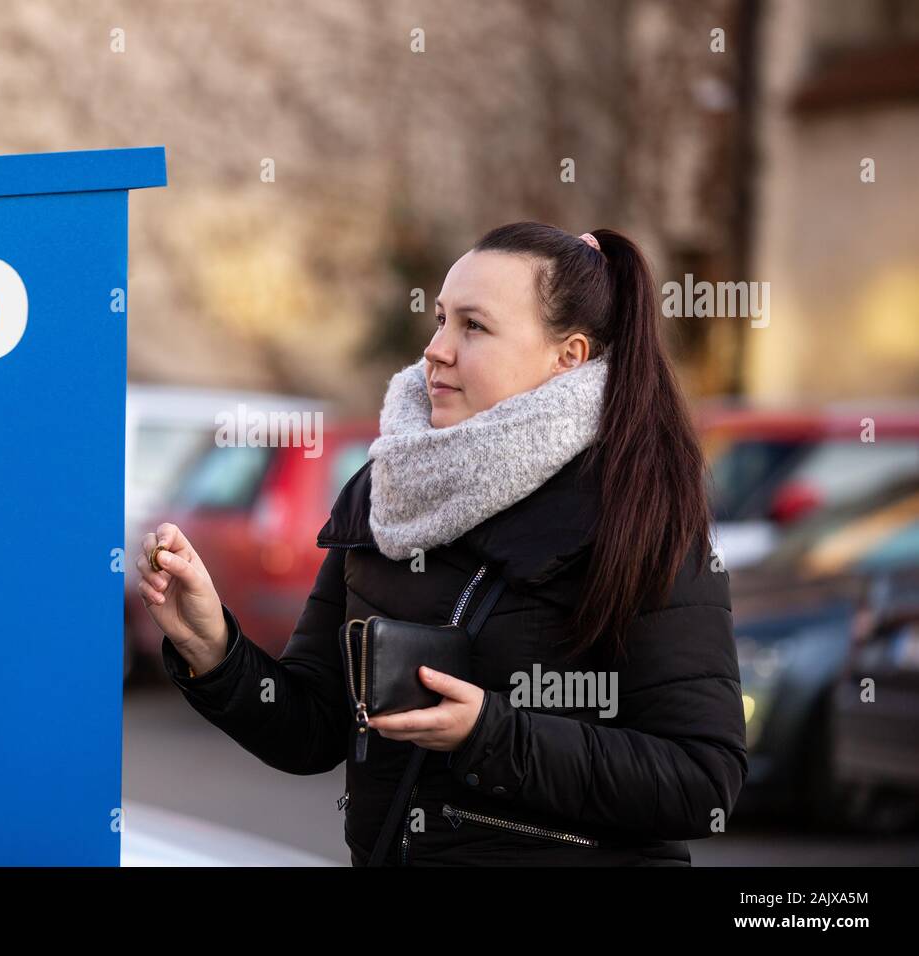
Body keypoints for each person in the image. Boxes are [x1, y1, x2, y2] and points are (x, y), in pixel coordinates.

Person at [135, 221, 748, 866]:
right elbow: (312, 732)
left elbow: (701, 778)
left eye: (474, 326)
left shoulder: (638, 514)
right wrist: (213, 648)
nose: (437, 349)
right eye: (440, 320)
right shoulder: (390, 487)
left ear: (568, 356)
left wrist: (491, 734)